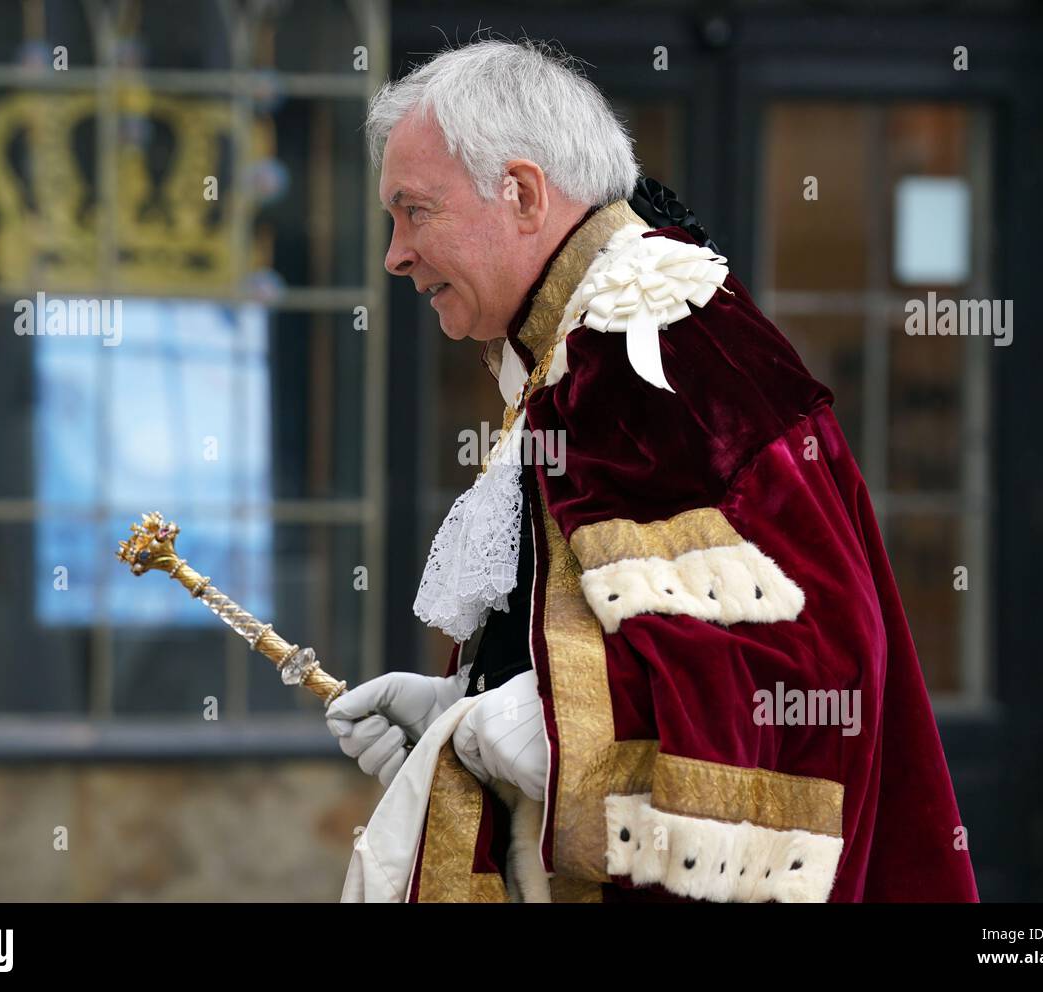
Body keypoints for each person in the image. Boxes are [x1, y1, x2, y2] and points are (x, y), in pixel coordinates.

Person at [327, 38, 980, 904]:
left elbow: (810, 662)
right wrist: (463, 698)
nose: (395, 254)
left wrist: (538, 727)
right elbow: (618, 631)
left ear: (520, 194)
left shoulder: (660, 348)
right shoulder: (579, 347)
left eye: (415, 212)